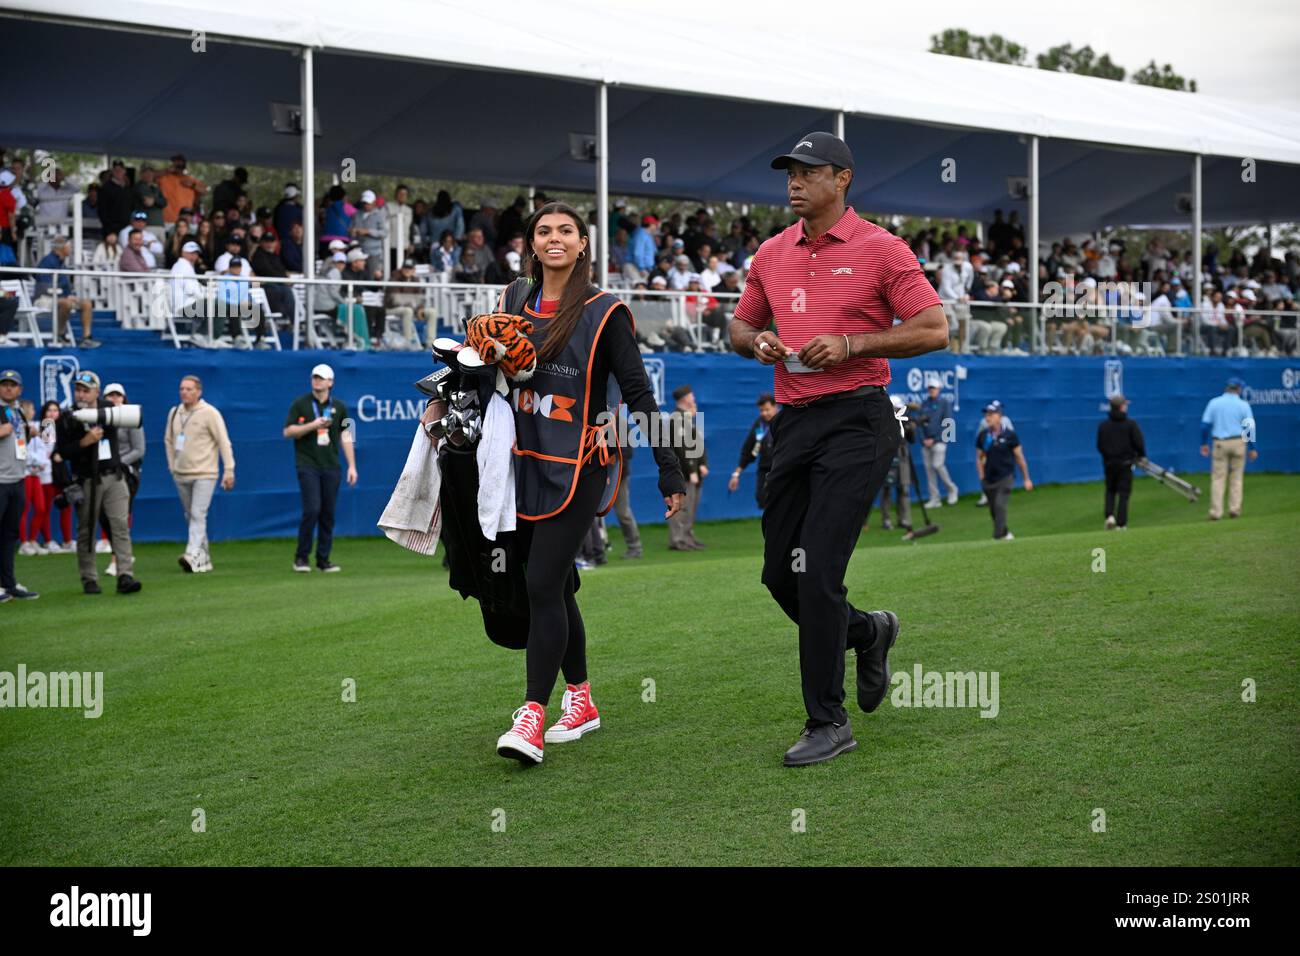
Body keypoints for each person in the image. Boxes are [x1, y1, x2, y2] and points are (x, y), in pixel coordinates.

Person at [728, 132, 948, 767]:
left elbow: (934, 328)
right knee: (780, 574)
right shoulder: (771, 253)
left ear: (842, 178)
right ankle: (868, 631)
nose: (794, 182)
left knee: (817, 569)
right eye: (789, 173)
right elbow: (740, 325)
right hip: (793, 423)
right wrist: (758, 341)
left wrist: (854, 344)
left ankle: (827, 721)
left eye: (807, 171)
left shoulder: (883, 248)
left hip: (858, 420)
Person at [488, 201, 686, 766]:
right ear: (531, 243)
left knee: (542, 587)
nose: (554, 239)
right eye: (543, 231)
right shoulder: (511, 300)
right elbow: (484, 371)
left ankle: (531, 714)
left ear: (582, 245)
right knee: (557, 588)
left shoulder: (605, 311)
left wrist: (668, 468)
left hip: (578, 465)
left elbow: (641, 395)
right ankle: (582, 700)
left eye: (566, 231)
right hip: (519, 463)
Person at [53, 371, 141, 595]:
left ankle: (125, 575)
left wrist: (95, 416)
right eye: (78, 390)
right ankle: (89, 578)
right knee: (87, 529)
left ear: (96, 392)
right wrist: (85, 441)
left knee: (120, 526)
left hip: (114, 476)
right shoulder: (67, 417)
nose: (81, 394)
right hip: (87, 479)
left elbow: (134, 418)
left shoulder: (108, 410)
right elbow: (63, 451)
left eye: (86, 390)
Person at [283, 364, 356, 572]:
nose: (317, 381)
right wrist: (313, 425)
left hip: (332, 465)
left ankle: (323, 559)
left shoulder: (341, 407)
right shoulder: (300, 404)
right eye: (315, 377)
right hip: (307, 464)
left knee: (328, 513)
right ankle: (301, 558)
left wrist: (352, 466)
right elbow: (287, 432)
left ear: (330, 382)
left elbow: (348, 435)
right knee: (312, 509)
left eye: (321, 378)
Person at [165, 375, 235, 573]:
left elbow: (223, 441)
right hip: (181, 472)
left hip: (205, 472)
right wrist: (172, 466)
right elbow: (168, 441)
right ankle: (203, 559)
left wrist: (229, 469)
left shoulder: (210, 413)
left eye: (189, 389)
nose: (184, 392)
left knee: (198, 513)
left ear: (199, 392)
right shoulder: (174, 413)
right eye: (182, 389)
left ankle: (192, 553)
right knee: (191, 515)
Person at [0, 371, 39, 601]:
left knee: (9, 535)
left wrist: (32, 434)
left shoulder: (18, 412)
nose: (7, 389)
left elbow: (19, 442)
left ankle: (8, 583)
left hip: (17, 479)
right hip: (0, 480)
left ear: (20, 389)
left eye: (12, 385)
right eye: (4, 384)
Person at [99, 383, 145, 575]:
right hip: (103, 472)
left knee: (120, 516)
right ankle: (121, 553)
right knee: (103, 515)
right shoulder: (99, 419)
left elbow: (139, 450)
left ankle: (117, 559)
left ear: (123, 398)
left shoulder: (131, 418)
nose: (114, 399)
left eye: (117, 396)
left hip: (126, 472)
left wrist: (117, 463)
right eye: (110, 396)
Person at [1201, 377, 1258, 520]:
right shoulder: (1243, 405)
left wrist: (1203, 443)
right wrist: (1252, 448)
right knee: (1236, 478)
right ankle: (1234, 510)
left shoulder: (1214, 403)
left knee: (1218, 478)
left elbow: (1205, 425)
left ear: (1227, 388)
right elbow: (1248, 427)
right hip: (1238, 442)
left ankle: (1215, 512)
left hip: (1220, 442)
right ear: (1238, 389)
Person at [975, 400, 1032, 540]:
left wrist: (1026, 478)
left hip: (1006, 476)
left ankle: (997, 537)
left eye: (991, 414)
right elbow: (980, 458)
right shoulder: (983, 436)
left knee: (1000, 505)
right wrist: (982, 478)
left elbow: (1019, 457)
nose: (987, 417)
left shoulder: (1010, 435)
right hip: (989, 479)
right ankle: (1005, 533)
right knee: (994, 510)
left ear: (999, 416)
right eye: (986, 414)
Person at [35, 238, 100, 348]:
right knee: (66, 303)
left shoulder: (62, 263)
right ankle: (60, 334)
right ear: (61, 248)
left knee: (86, 303)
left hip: (61, 298)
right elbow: (45, 286)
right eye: (69, 247)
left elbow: (66, 286)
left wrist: (69, 295)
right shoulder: (47, 262)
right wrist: (65, 296)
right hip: (44, 298)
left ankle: (86, 338)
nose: (71, 249)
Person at [665, 384, 708, 550]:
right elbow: (683, 448)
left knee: (690, 507)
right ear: (684, 398)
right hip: (682, 472)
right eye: (690, 395)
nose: (693, 397)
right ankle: (678, 539)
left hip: (692, 472)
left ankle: (687, 537)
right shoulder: (677, 419)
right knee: (681, 507)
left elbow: (698, 445)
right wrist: (691, 470)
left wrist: (702, 464)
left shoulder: (687, 418)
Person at [1096, 393, 1145, 530]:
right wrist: (1141, 456)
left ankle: (1109, 515)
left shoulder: (1103, 426)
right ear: (1122, 407)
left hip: (1109, 464)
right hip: (1126, 463)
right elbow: (1139, 443)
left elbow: (1100, 445)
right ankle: (1121, 524)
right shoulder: (1130, 424)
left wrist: (1107, 457)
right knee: (1124, 493)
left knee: (1110, 490)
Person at [729, 393, 779, 508]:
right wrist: (736, 474)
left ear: (776, 407)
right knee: (762, 498)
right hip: (765, 469)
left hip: (782, 469)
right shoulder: (760, 425)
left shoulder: (784, 422)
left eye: (767, 410)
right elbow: (749, 450)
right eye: (761, 410)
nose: (764, 413)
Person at [918, 381, 958, 506]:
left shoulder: (944, 402)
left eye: (934, 388)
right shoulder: (924, 404)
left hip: (940, 441)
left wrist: (935, 439)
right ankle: (935, 498)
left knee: (937, 465)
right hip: (926, 442)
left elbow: (948, 423)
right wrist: (923, 439)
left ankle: (952, 489)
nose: (932, 390)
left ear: (939, 389)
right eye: (930, 388)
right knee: (929, 471)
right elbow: (920, 424)